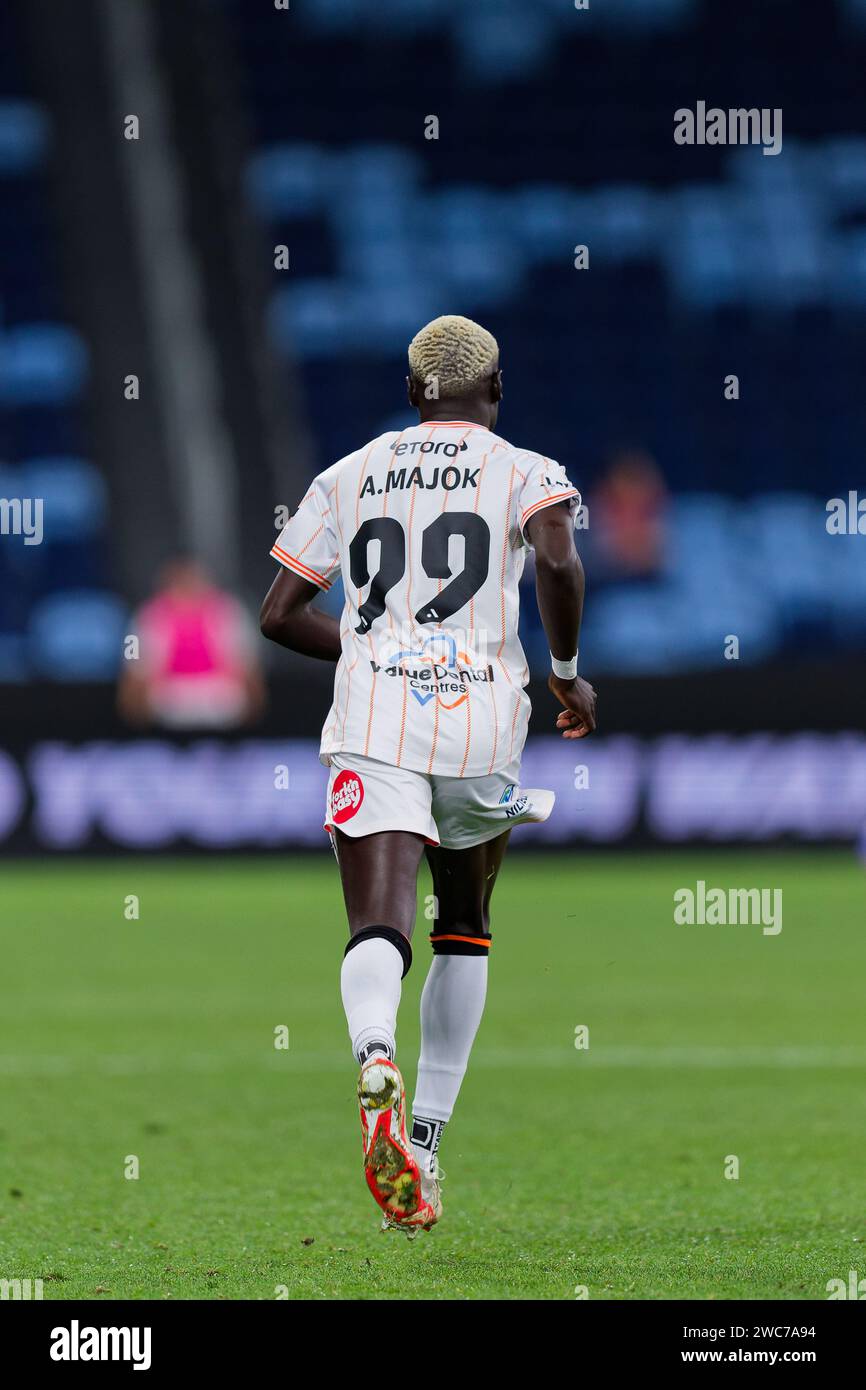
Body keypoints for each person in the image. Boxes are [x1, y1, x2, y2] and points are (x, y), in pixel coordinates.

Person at [260, 315, 596, 1234]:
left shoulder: (351, 473)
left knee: (378, 923)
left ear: (412, 394)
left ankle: (375, 1052)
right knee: (467, 925)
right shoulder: (529, 470)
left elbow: (279, 613)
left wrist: (370, 652)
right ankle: (429, 1142)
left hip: (374, 723)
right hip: (481, 724)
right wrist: (565, 672)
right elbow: (560, 559)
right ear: (496, 391)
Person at [119, 557, 264, 729]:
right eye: (180, 584)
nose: (187, 590)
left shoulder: (230, 612)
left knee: (231, 697)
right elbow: (133, 669)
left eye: (192, 583)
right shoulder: (145, 618)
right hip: (168, 693)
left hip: (218, 692)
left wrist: (255, 709)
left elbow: (248, 665)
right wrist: (134, 711)